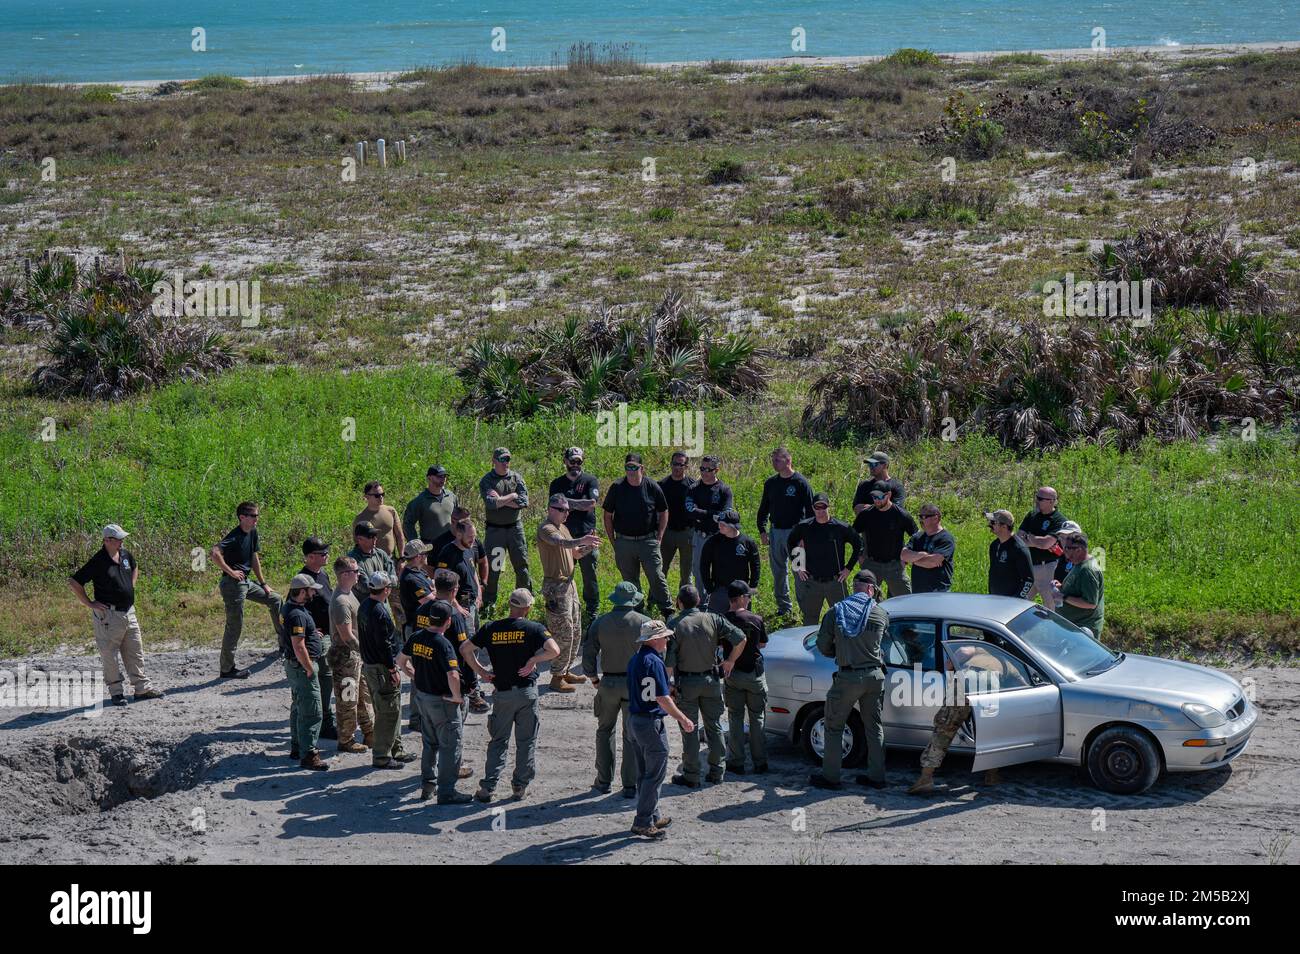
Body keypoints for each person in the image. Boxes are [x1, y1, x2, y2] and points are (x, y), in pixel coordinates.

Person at [462, 589, 559, 802]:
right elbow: (554, 650)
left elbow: (465, 648)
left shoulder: (491, 628)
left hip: (502, 694)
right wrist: (533, 661)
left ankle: (488, 787)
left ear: (509, 604)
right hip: (527, 692)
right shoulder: (534, 628)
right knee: (526, 742)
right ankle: (519, 787)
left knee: (498, 741)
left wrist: (482, 672)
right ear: (528, 608)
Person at [809, 569, 888, 790]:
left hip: (848, 677)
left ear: (855, 588)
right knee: (874, 726)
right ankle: (877, 776)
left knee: (834, 726)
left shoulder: (837, 612)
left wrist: (840, 650)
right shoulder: (880, 614)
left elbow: (822, 645)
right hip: (875, 676)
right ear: (871, 589)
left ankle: (831, 777)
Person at [69, 524, 163, 707]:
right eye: (119, 538)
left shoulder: (126, 555)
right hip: (108, 616)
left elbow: (135, 567)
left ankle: (142, 689)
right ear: (107, 540)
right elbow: (74, 581)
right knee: (110, 655)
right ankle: (116, 692)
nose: (122, 541)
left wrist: (131, 584)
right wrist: (89, 603)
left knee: (135, 651)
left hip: (129, 611)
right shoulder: (98, 561)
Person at [665, 585, 746, 787]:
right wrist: (730, 661)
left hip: (687, 683)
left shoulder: (674, 624)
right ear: (699, 601)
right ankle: (717, 772)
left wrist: (669, 685)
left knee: (689, 728)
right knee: (714, 726)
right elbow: (741, 638)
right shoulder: (713, 618)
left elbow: (669, 662)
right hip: (711, 681)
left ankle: (691, 775)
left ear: (679, 602)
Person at [397, 599, 473, 804]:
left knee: (429, 744)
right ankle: (447, 792)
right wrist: (457, 697)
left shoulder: (417, 636)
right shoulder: (443, 644)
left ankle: (427, 786)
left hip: (423, 699)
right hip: (442, 702)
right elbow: (453, 675)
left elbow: (400, 660)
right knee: (450, 746)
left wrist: (414, 676)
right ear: (448, 622)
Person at [907, 642, 1008, 794]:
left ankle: (926, 778)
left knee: (944, 730)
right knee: (989, 734)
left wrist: (951, 671)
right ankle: (991, 775)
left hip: (966, 680)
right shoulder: (1007, 661)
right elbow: (1023, 682)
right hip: (990, 685)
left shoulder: (978, 649)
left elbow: (952, 661)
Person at [626, 619, 695, 839]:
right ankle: (643, 822)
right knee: (654, 774)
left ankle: (653, 815)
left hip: (635, 719)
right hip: (649, 722)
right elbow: (662, 698)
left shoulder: (635, 659)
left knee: (644, 772)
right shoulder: (654, 662)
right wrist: (683, 718)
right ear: (655, 639)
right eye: (664, 637)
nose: (667, 640)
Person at [580, 581, 650, 797]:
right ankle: (630, 785)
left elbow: (589, 654)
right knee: (632, 736)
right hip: (635, 684)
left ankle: (603, 781)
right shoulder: (645, 622)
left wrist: (593, 678)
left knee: (604, 731)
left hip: (608, 683)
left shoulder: (600, 623)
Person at [211, 501, 283, 679]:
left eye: (258, 515)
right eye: (253, 516)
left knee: (275, 599)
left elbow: (254, 558)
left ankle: (285, 644)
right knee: (234, 626)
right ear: (242, 517)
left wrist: (264, 583)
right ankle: (227, 669)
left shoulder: (252, 532)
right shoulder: (234, 536)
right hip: (232, 585)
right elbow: (214, 553)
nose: (257, 519)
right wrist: (231, 571)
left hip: (247, 583)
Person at [537, 493, 600, 693]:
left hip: (568, 586)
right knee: (562, 632)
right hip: (556, 587)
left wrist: (589, 546)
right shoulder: (546, 529)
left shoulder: (563, 527)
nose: (566, 513)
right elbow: (560, 543)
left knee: (574, 631)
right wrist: (582, 538)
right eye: (562, 510)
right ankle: (556, 676)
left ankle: (564, 671)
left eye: (567, 510)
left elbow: (573, 553)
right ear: (550, 509)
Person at [357, 571, 416, 770]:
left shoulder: (365, 605)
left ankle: (396, 749)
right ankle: (381, 756)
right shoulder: (380, 612)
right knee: (388, 712)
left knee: (390, 708)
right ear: (387, 589)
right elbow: (384, 644)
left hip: (370, 666)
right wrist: (392, 669)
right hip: (381, 668)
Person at [602, 452, 672, 616]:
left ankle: (667, 610)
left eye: (634, 467)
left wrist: (660, 536)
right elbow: (607, 515)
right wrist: (614, 541)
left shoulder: (652, 486)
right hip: (624, 542)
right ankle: (638, 611)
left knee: (656, 576)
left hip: (648, 540)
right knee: (630, 580)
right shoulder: (617, 487)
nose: (631, 471)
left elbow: (664, 511)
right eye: (628, 467)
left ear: (642, 468)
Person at [756, 447, 815, 618]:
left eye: (777, 460)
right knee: (778, 571)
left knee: (799, 571)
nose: (774, 463)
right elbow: (763, 509)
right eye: (773, 460)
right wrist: (762, 530)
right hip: (776, 533)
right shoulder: (771, 483)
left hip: (795, 534)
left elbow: (811, 512)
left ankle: (805, 608)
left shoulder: (801, 482)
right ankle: (784, 608)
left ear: (788, 461)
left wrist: (805, 536)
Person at [788, 493, 862, 625]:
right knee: (810, 619)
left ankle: (842, 644)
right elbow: (790, 542)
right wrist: (798, 566)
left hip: (836, 581)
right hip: (812, 582)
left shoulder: (841, 527)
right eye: (817, 508)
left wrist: (848, 568)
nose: (821, 511)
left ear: (829, 507)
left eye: (824, 507)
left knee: (843, 617)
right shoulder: (804, 527)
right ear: (813, 508)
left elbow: (858, 544)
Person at [280, 573, 329, 771]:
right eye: (310, 590)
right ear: (301, 592)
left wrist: (311, 633)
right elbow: (299, 646)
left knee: (298, 706)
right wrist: (309, 668)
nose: (314, 592)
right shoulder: (298, 614)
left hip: (294, 666)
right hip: (302, 667)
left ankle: (297, 747)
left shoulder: (292, 609)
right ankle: (309, 755)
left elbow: (298, 635)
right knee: (312, 711)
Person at [548, 447, 602, 619]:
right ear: (565, 461)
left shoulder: (590, 480)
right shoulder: (556, 483)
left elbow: (591, 503)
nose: (575, 465)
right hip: (563, 537)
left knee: (589, 576)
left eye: (579, 461)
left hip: (586, 537)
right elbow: (552, 506)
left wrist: (564, 502)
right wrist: (579, 503)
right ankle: (563, 606)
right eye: (572, 461)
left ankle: (592, 608)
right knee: (563, 575)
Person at [327, 556, 372, 753]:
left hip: (355, 657)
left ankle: (370, 732)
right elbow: (346, 635)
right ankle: (346, 739)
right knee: (348, 699)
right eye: (355, 571)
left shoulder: (349, 594)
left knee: (363, 695)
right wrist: (365, 651)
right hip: (346, 658)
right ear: (345, 575)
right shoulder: (341, 602)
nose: (359, 574)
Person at [723, 581, 769, 775]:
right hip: (754, 674)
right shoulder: (756, 619)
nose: (750, 599)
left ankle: (736, 762)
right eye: (748, 596)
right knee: (757, 717)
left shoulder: (723, 619)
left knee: (735, 717)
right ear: (741, 598)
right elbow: (763, 644)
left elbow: (718, 644)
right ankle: (760, 762)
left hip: (733, 675)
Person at [479, 447, 531, 610]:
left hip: (515, 530)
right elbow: (491, 504)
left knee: (521, 566)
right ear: (494, 461)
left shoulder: (516, 478)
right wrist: (512, 497)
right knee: (495, 568)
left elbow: (524, 502)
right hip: (496, 532)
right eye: (502, 459)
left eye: (507, 459)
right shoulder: (487, 480)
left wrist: (503, 500)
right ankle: (489, 602)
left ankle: (523, 600)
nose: (505, 463)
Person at [296, 537, 338, 741]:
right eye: (322, 554)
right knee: (321, 681)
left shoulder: (323, 575)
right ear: (310, 557)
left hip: (329, 635)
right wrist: (312, 632)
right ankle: (324, 724)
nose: (326, 556)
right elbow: (296, 609)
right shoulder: (303, 580)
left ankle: (325, 722)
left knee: (327, 681)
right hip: (317, 640)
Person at [432, 568, 489, 716]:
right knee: (454, 727)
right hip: (452, 677)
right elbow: (464, 650)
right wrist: (471, 682)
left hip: (430, 676)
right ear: (455, 590)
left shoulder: (424, 610)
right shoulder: (454, 616)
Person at [853, 489, 917, 599]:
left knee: (906, 599)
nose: (877, 501)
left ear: (888, 495)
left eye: (880, 497)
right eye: (874, 498)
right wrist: (860, 553)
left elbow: (916, 536)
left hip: (895, 565)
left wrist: (905, 555)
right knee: (865, 599)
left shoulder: (901, 514)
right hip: (871, 564)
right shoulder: (866, 514)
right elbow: (853, 535)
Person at [686, 455, 733, 591]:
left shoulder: (724, 490)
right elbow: (690, 511)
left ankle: (718, 603)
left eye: (708, 469)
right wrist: (712, 513)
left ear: (716, 470)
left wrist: (701, 513)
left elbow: (725, 515)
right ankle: (702, 604)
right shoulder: (693, 488)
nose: (704, 472)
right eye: (702, 469)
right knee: (699, 571)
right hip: (699, 536)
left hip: (718, 536)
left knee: (720, 569)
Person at [698, 509, 760, 612]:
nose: (719, 526)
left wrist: (751, 588)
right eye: (719, 523)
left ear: (733, 526)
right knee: (716, 623)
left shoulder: (748, 542)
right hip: (720, 590)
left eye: (723, 524)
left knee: (742, 623)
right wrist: (709, 587)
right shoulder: (713, 542)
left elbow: (755, 566)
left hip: (741, 593)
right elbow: (704, 565)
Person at [1018, 486, 1068, 611]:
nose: (1036, 501)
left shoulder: (1058, 520)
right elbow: (1019, 537)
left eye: (1040, 499)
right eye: (1036, 497)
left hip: (1047, 568)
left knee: (1050, 604)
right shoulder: (1032, 515)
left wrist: (1030, 538)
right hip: (1029, 566)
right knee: (1020, 601)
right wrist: (1037, 540)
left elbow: (1046, 543)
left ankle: (1052, 629)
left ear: (1051, 501)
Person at [434, 515, 486, 633]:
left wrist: (479, 594)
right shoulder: (447, 553)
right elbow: (441, 583)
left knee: (475, 638)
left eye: (474, 536)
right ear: (458, 535)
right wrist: (457, 607)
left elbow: (473, 571)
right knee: (467, 640)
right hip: (460, 604)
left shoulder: (470, 548)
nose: (473, 540)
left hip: (473, 602)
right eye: (469, 537)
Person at [657, 450, 697, 591]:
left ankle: (686, 603)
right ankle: (655, 600)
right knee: (660, 569)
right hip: (667, 533)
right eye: (675, 464)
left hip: (687, 533)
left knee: (686, 573)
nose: (677, 467)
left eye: (681, 464)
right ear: (670, 464)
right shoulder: (662, 485)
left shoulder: (693, 486)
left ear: (686, 466)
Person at [1055, 532, 1105, 637]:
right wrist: (1061, 587)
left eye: (1067, 548)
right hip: (1073, 627)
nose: (1065, 552)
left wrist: (1064, 597)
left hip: (1083, 631)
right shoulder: (1079, 564)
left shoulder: (1088, 570)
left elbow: (1090, 603)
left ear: (1078, 550)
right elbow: (1077, 589)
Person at [901, 504, 956, 593]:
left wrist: (913, 560)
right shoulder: (917, 537)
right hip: (917, 591)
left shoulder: (946, 538)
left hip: (938, 592)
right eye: (920, 516)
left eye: (924, 517)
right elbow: (903, 555)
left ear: (936, 518)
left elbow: (933, 562)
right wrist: (922, 555)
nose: (921, 520)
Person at [402, 465, 457, 548]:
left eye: (444, 476)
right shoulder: (420, 501)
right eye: (439, 476)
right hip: (430, 546)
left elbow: (459, 518)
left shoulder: (451, 496)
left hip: (451, 544)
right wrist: (415, 544)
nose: (443, 479)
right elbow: (408, 523)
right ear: (429, 478)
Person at [986, 510, 1034, 599]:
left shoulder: (1019, 549)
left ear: (1004, 527)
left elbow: (1028, 580)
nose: (989, 525)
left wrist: (1016, 600)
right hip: (994, 599)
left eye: (993, 522)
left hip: (1012, 603)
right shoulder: (994, 545)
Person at [355, 481, 405, 560]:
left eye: (382, 494)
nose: (381, 497)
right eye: (377, 495)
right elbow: (358, 544)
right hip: (372, 561)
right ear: (367, 497)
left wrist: (402, 558)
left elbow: (400, 536)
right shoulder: (361, 518)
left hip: (392, 559)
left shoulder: (391, 511)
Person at [348, 521, 396, 600]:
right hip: (366, 607)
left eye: (375, 535)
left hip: (383, 605)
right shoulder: (352, 560)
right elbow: (366, 587)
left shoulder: (381, 554)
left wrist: (383, 584)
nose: (375, 538)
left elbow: (394, 578)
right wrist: (387, 583)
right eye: (370, 536)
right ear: (359, 539)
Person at [1052, 520, 1085, 585]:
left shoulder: (1084, 563)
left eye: (1068, 538)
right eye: (1061, 537)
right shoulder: (1064, 557)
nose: (1064, 541)